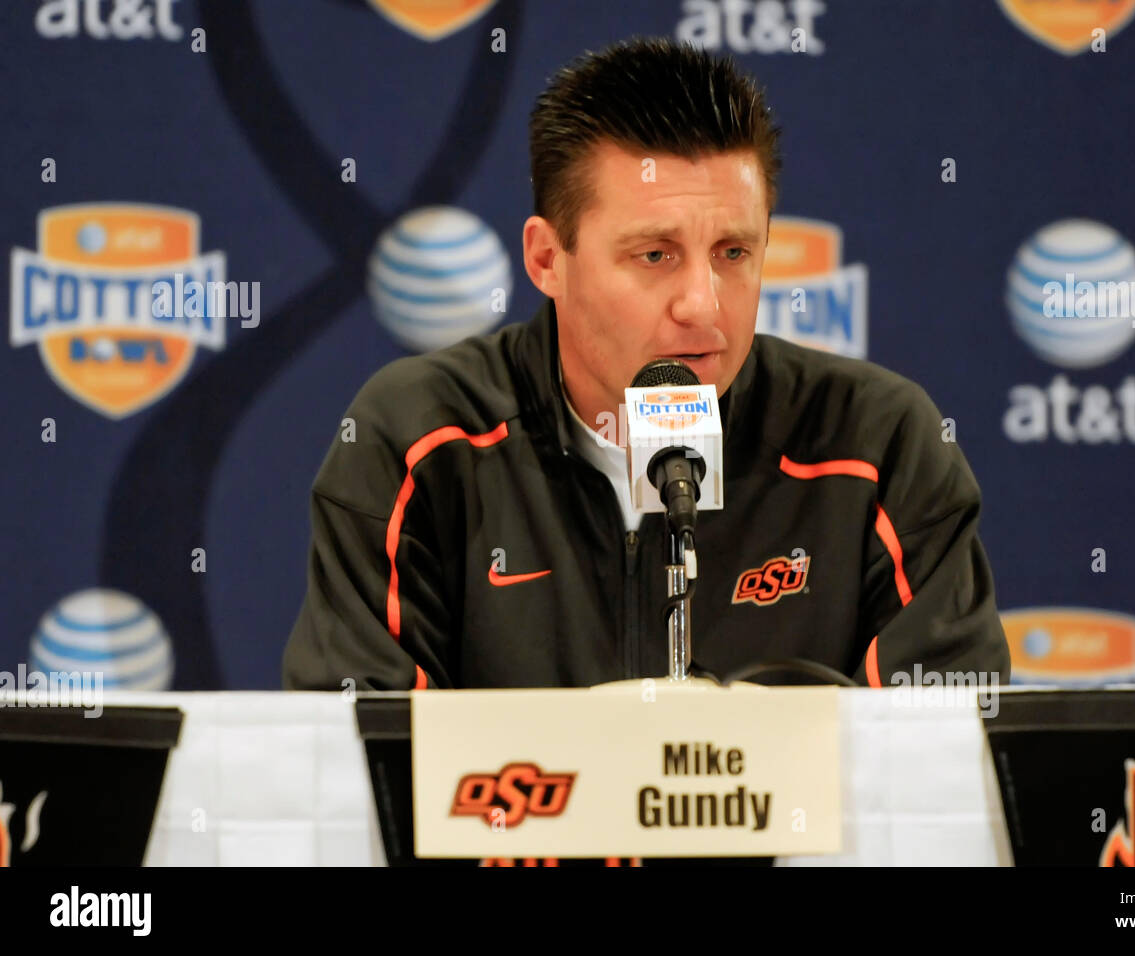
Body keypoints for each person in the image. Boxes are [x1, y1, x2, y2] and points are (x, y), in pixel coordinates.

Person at [282, 36, 1009, 693]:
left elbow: (939, 781)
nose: (702, 305)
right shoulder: (418, 441)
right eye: (654, 255)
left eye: (734, 253)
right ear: (546, 259)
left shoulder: (875, 445)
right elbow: (361, 774)